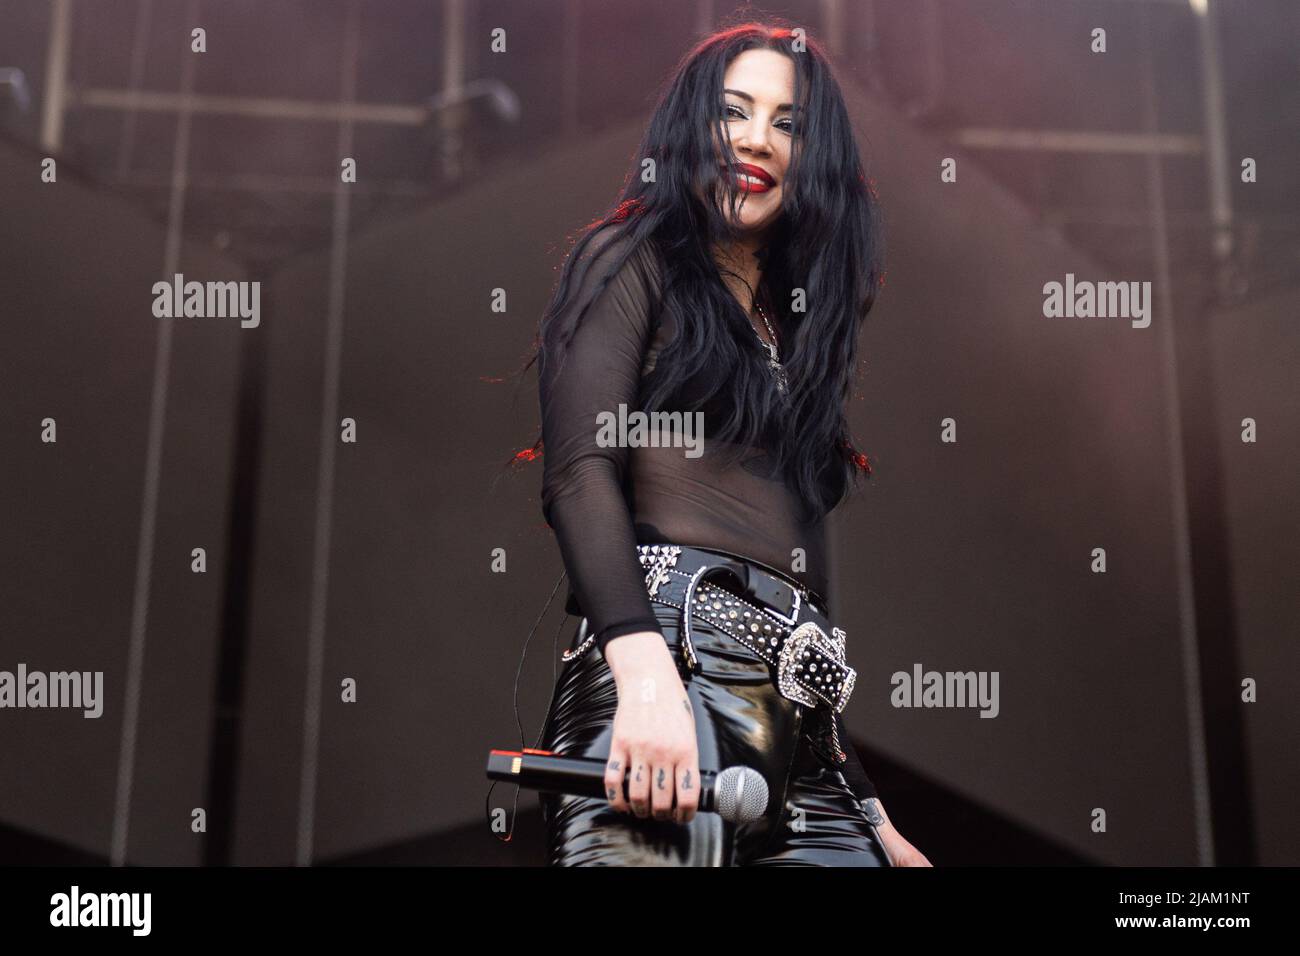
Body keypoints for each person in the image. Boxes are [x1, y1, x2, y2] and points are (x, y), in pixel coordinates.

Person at [522, 22, 930, 866]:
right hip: (667, 660)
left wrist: (871, 812)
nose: (757, 139)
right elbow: (579, 470)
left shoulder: (798, 328)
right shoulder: (630, 259)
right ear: (689, 127)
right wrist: (642, 680)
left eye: (788, 122)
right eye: (734, 111)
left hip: (802, 722)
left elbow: (804, 595)